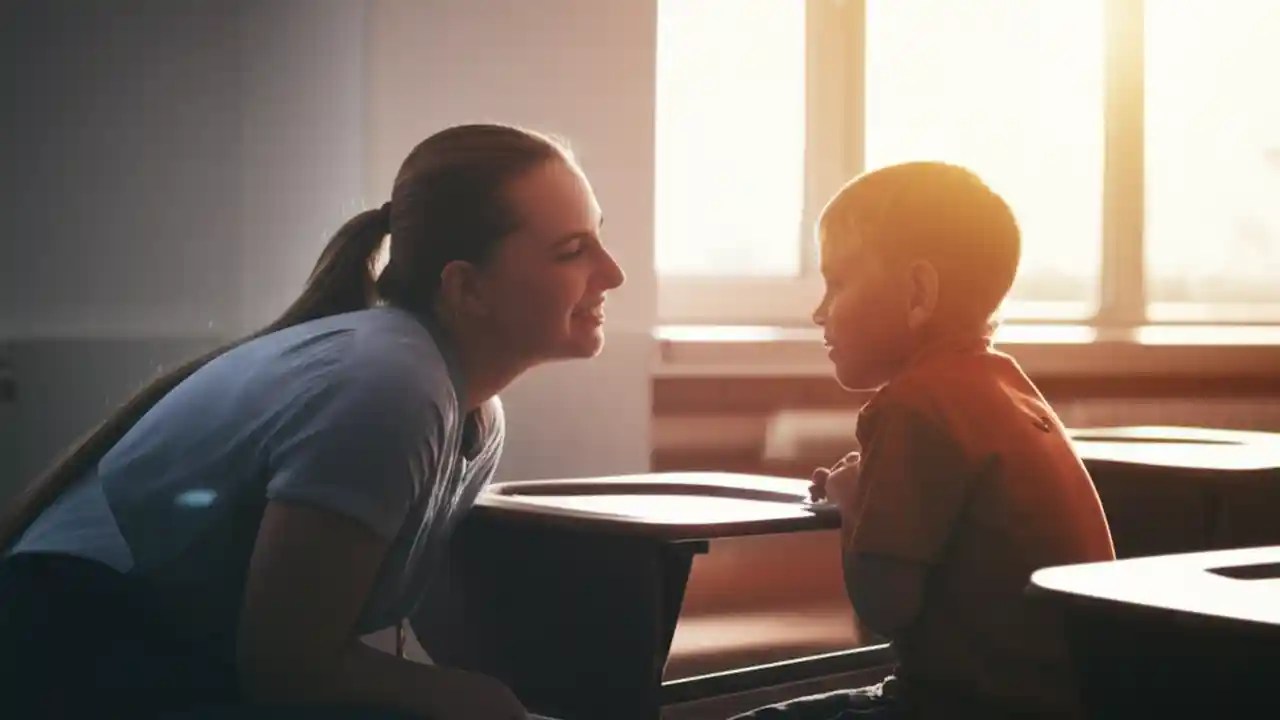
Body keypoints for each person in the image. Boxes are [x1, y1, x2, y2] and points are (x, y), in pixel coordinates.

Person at [0, 123, 624, 719]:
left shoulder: (474, 413)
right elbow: (287, 667)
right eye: (573, 250)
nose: (613, 273)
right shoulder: (391, 386)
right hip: (70, 644)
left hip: (163, 655)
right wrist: (460, 697)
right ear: (467, 288)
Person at [732, 162, 1115, 719]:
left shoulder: (913, 404)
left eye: (837, 283)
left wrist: (850, 504)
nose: (819, 312)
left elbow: (882, 609)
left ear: (918, 291)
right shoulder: (1004, 384)